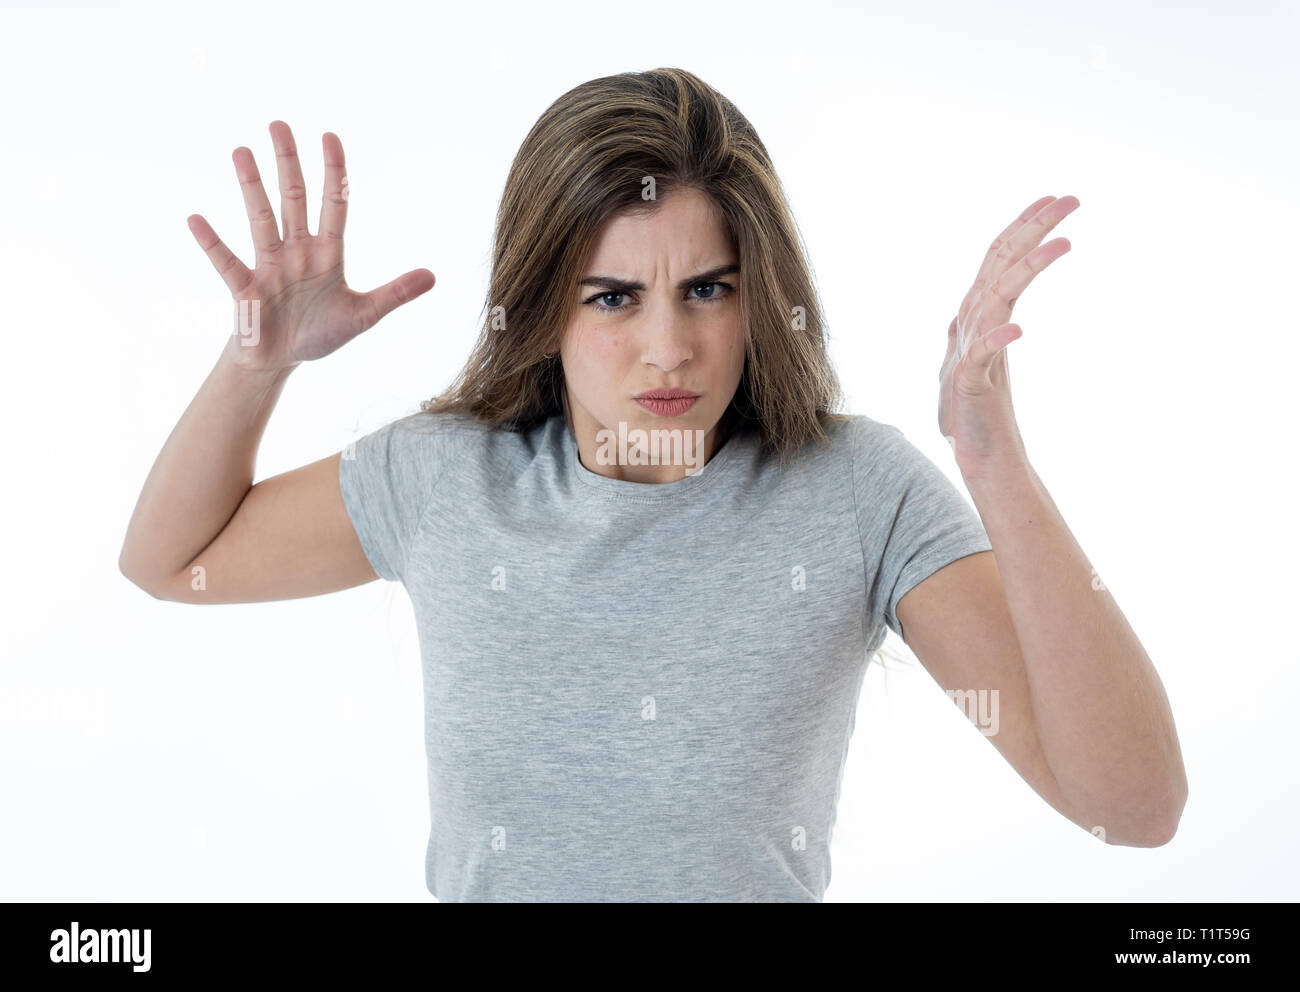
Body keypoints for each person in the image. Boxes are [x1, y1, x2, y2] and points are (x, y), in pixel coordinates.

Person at [119, 68, 1187, 902]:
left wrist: (994, 465)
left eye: (708, 289)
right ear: (544, 308)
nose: (669, 347)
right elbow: (172, 561)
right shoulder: (444, 478)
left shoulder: (859, 493)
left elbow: (1131, 808)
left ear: (756, 294)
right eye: (615, 296)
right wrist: (256, 366)